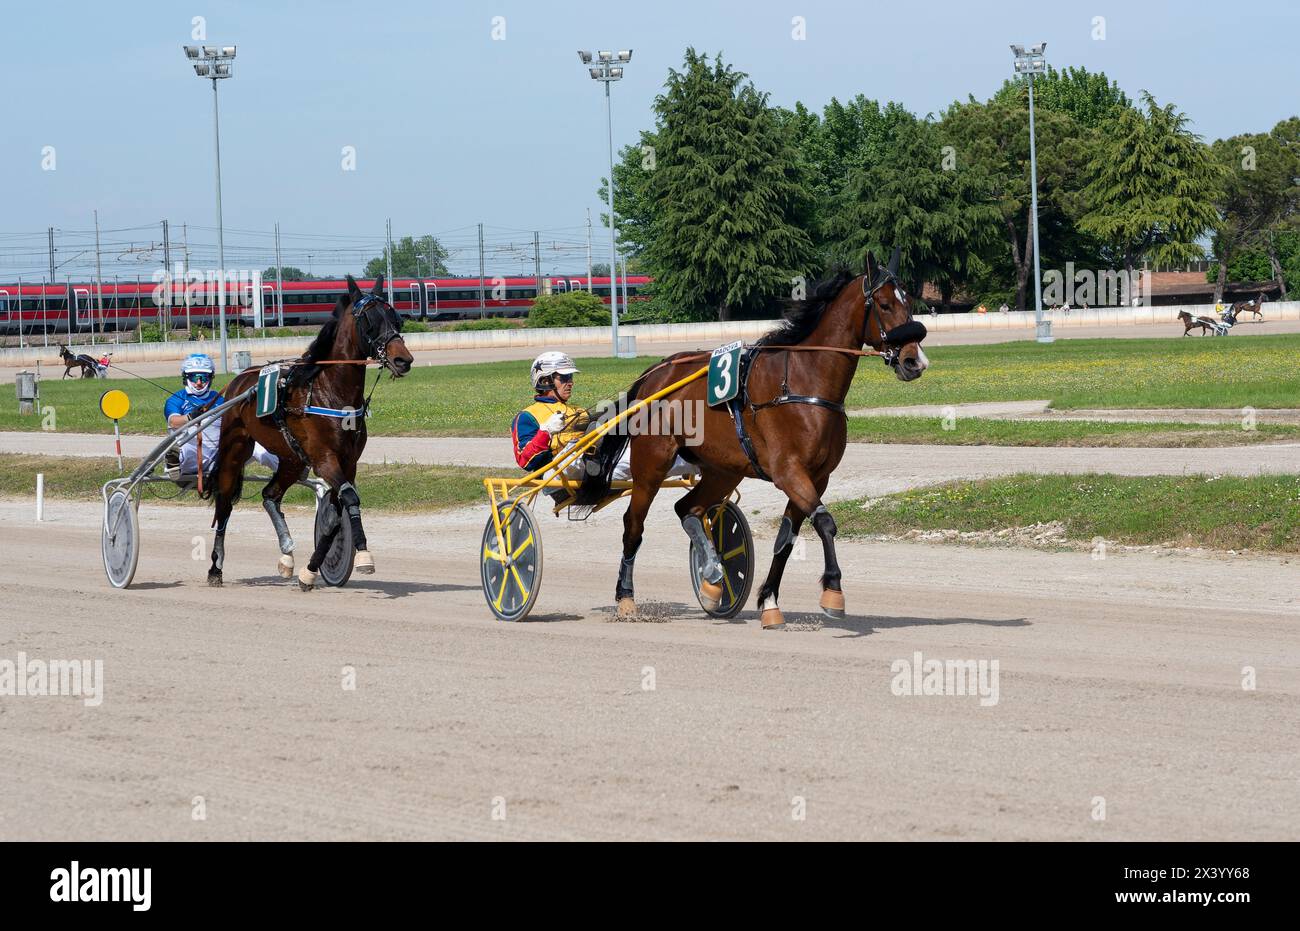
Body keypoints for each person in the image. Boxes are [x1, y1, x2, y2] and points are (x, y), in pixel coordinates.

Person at [512, 350, 694, 485]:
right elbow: (525, 461)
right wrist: (546, 431)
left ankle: (697, 463)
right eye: (564, 377)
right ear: (545, 381)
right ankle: (590, 453)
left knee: (648, 455)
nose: (570, 382)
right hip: (555, 472)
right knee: (578, 449)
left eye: (570, 377)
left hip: (596, 468)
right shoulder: (528, 416)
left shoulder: (579, 411)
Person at [164, 353, 278, 478]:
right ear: (185, 377)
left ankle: (289, 469)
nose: (199, 382)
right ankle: (174, 460)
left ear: (211, 377)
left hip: (220, 457)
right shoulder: (176, 399)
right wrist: (190, 417)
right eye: (194, 377)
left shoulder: (219, 399)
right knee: (182, 448)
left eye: (204, 377)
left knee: (256, 445)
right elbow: (173, 422)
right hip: (191, 455)